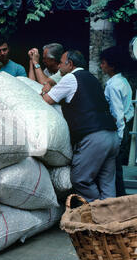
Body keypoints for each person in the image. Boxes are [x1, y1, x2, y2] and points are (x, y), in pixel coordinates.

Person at [41, 49, 120, 202]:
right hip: (111, 135)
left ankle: (98, 210)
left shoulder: (70, 78)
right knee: (107, 183)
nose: (58, 67)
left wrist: (44, 90)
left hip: (94, 137)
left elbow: (47, 100)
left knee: (80, 179)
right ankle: (109, 217)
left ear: (69, 64)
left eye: (61, 63)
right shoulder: (92, 78)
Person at [100, 46, 134, 196]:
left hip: (117, 131)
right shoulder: (123, 82)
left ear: (111, 65)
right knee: (116, 169)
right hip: (123, 128)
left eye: (103, 63)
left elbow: (117, 114)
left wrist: (118, 138)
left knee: (113, 170)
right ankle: (121, 198)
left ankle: (120, 199)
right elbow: (130, 110)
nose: (101, 65)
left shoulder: (113, 86)